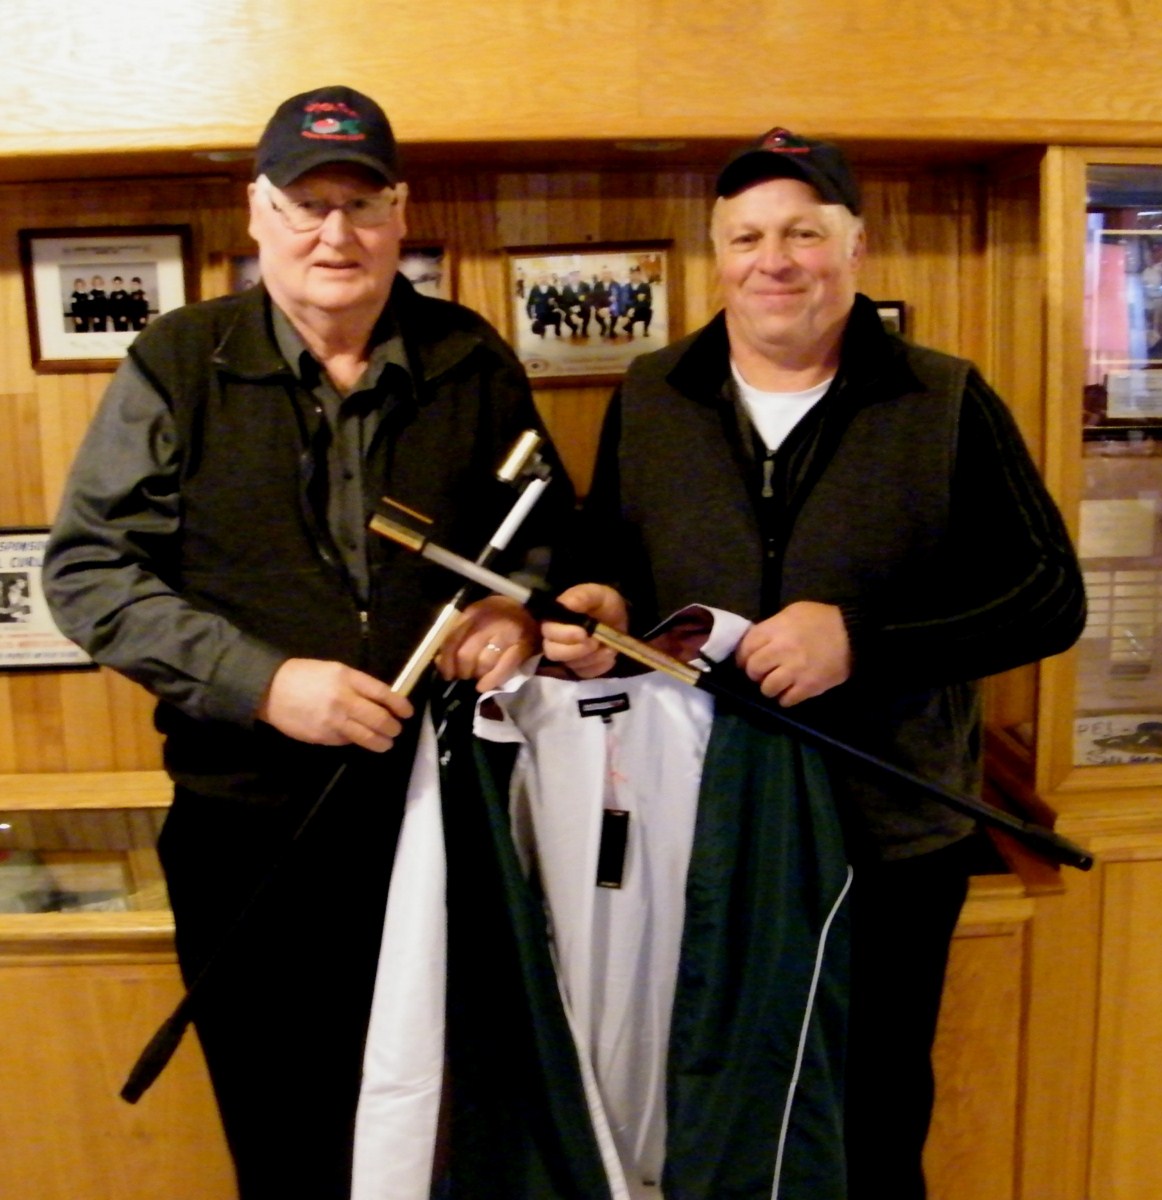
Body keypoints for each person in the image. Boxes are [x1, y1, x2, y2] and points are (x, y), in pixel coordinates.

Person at [43, 84, 568, 1199]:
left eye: (360, 203)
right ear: (257, 214)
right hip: (249, 834)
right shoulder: (178, 360)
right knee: (286, 1139)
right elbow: (86, 573)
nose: (335, 232)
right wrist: (265, 683)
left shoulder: (469, 357)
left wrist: (512, 613)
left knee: (451, 1128)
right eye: (305, 203)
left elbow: (545, 540)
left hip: (442, 823)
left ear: (398, 214)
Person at [542, 127, 1087, 1199]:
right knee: (714, 1099)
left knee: (873, 1117)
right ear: (716, 256)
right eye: (745, 235)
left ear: (852, 248)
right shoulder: (651, 395)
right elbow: (607, 555)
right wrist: (600, 601)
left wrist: (864, 643)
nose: (772, 258)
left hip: (889, 835)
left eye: (802, 231)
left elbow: (1046, 598)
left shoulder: (943, 398)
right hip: (697, 825)